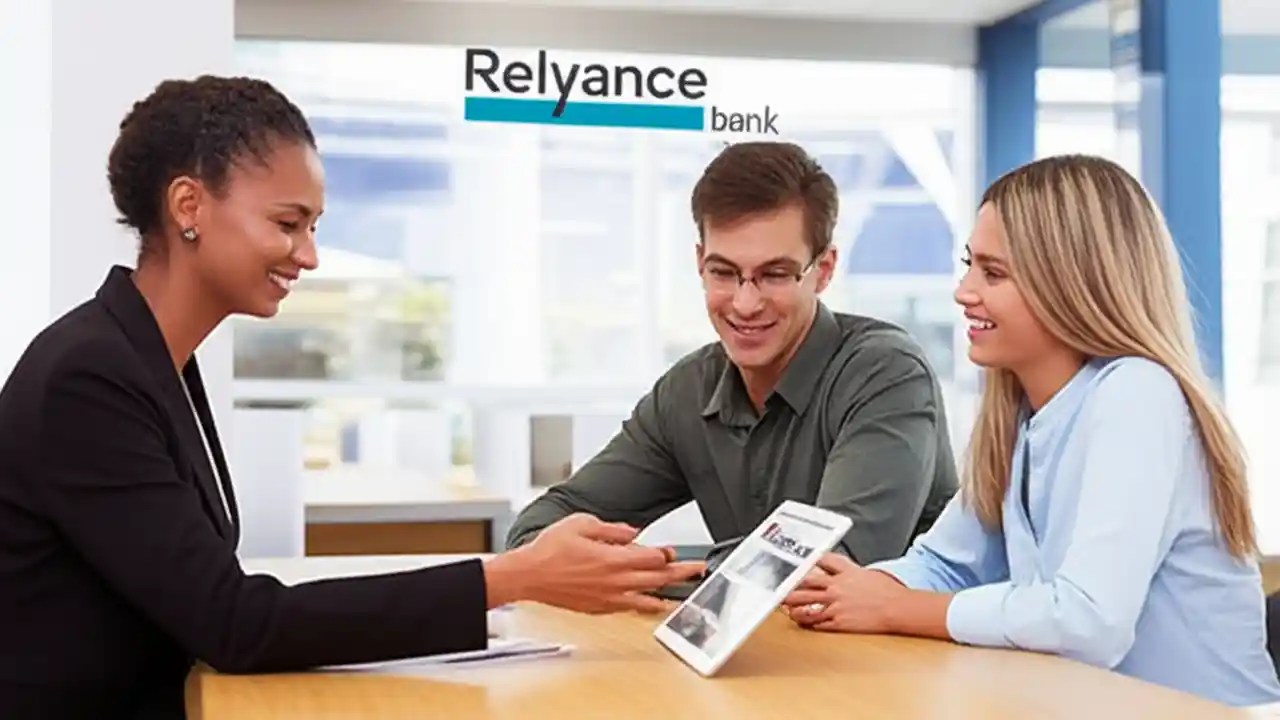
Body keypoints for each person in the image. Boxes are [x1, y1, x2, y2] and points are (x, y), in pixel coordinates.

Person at [0, 75, 702, 719]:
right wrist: (511, 577)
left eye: (314, 227)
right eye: (287, 223)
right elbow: (234, 623)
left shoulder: (149, 360)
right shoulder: (87, 376)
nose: (307, 255)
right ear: (189, 205)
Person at [782, 154, 1280, 707]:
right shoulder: (1019, 410)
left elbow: (1090, 621)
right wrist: (842, 590)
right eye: (970, 264)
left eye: (993, 273)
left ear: (1073, 282)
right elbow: (946, 563)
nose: (964, 290)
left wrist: (897, 607)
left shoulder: (1138, 393)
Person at [507, 141, 958, 565]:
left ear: (823, 270)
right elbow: (538, 533)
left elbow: (834, 563)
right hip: (758, 647)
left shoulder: (885, 374)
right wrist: (581, 566)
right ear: (700, 262)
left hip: (892, 649)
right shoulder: (687, 392)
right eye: (723, 272)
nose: (744, 303)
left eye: (774, 275)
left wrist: (651, 568)